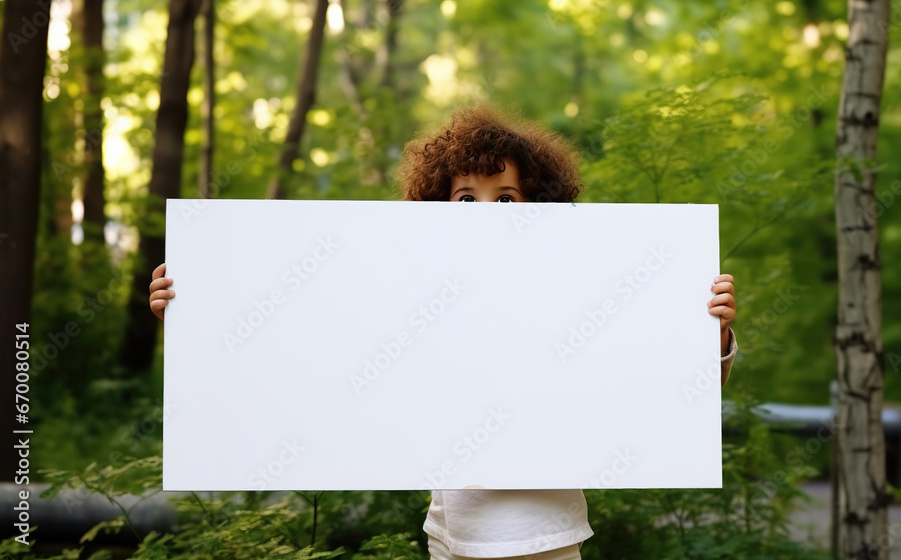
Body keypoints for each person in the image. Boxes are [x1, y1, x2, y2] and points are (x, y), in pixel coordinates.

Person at [148, 104, 739, 560]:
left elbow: (659, 389)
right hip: (447, 529)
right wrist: (195, 314)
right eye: (466, 197)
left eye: (506, 197)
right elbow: (309, 349)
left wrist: (708, 334)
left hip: (536, 533)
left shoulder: (573, 288)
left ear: (539, 204)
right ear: (436, 203)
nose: (486, 211)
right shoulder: (421, 296)